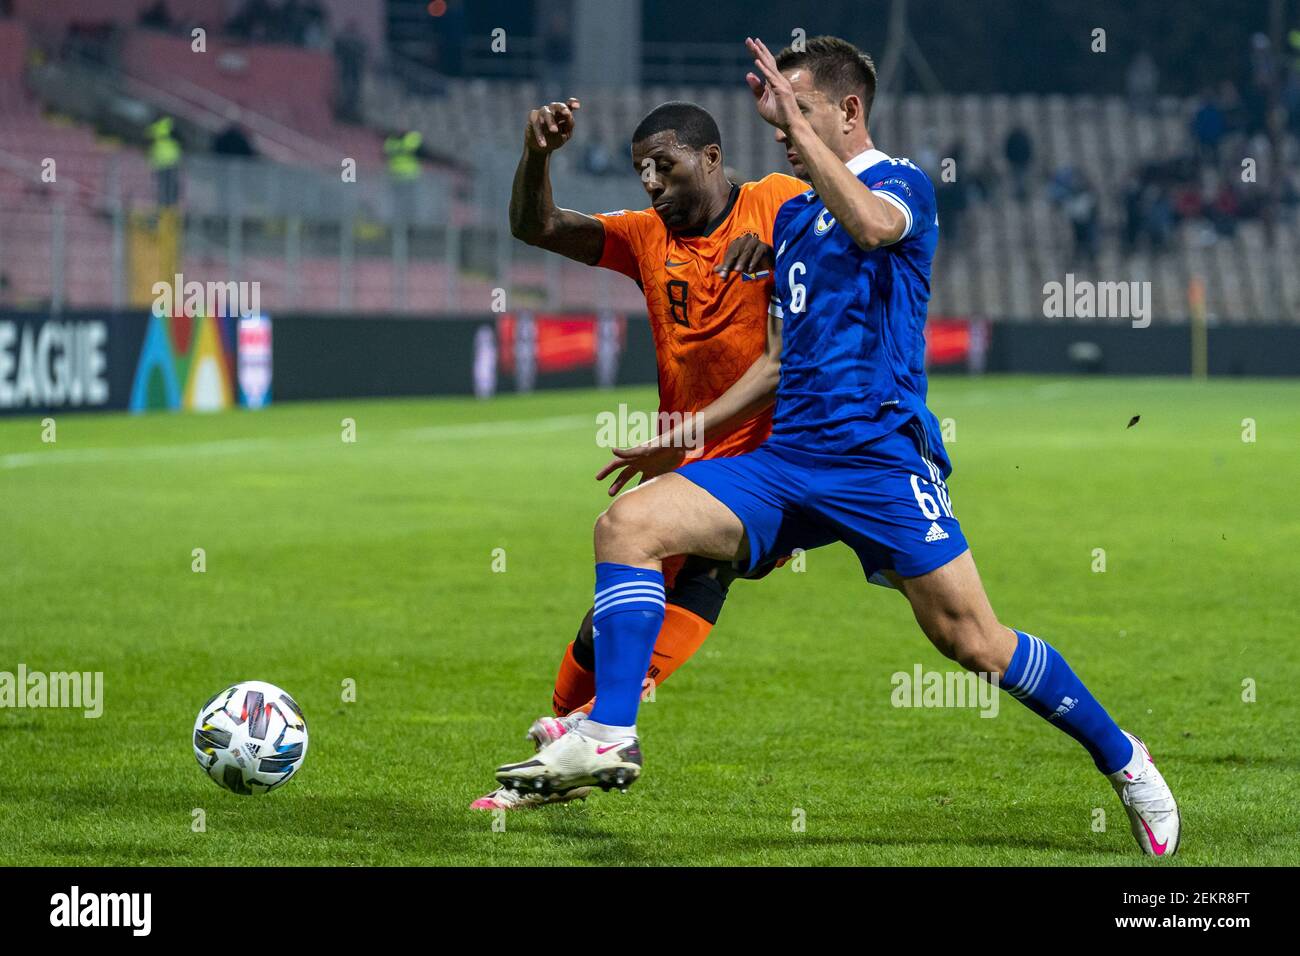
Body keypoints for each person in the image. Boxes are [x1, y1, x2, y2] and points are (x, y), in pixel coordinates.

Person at [493, 35, 1181, 859]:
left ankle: (1125, 759)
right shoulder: (790, 216)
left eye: (800, 109)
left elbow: (873, 225)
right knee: (627, 526)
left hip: (881, 462)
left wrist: (803, 158)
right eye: (777, 112)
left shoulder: (900, 185)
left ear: (848, 110)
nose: (781, 126)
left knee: (972, 641)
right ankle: (609, 733)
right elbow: (779, 360)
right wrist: (689, 432)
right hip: (786, 463)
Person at [472, 97, 809, 810]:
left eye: (665, 164)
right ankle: (574, 742)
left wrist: (787, 242)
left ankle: (593, 734)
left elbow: (854, 228)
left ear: (712, 158)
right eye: (641, 170)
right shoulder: (644, 236)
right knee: (607, 628)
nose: (650, 181)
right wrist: (538, 154)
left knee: (677, 568)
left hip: (763, 464)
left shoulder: (777, 201)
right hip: (686, 462)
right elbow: (536, 226)